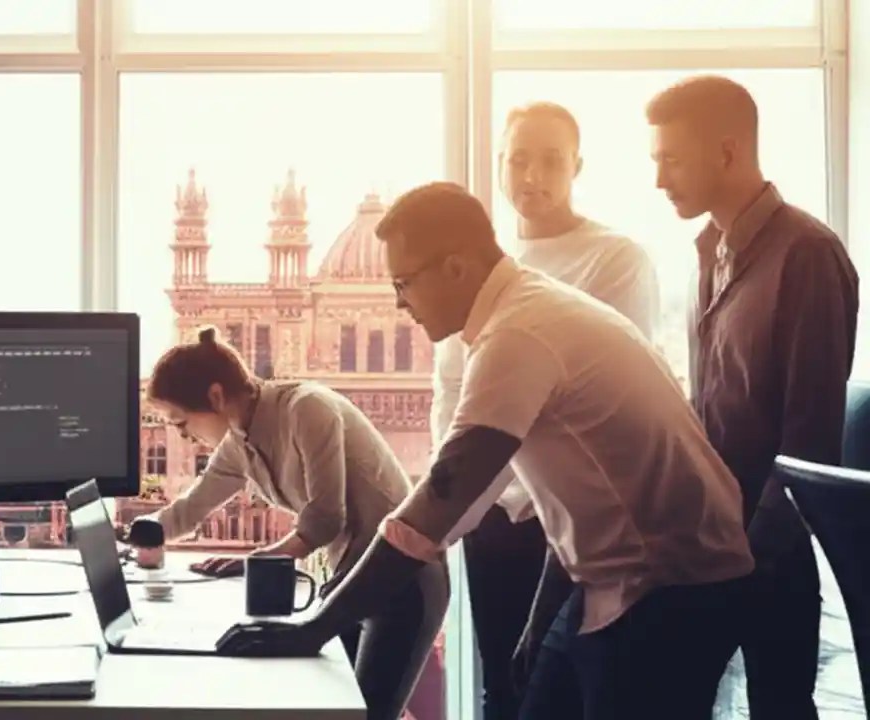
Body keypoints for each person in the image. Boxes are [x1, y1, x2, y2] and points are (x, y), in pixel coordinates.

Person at [217, 182, 756, 720]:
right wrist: (543, 622)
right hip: (612, 582)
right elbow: (578, 492)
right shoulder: (527, 310)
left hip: (669, 589)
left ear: (455, 267)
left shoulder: (518, 334)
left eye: (405, 282)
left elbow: (438, 505)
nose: (400, 302)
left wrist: (314, 627)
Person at [433, 101, 660, 720]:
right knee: (499, 686)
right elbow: (452, 390)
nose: (532, 175)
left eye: (551, 160)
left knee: (563, 691)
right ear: (500, 166)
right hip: (492, 518)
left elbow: (616, 404)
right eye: (519, 159)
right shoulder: (485, 266)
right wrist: (463, 503)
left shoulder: (614, 259)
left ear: (577, 166)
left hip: (573, 521)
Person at [648, 75, 860, 720]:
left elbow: (809, 434)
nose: (660, 180)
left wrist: (750, 548)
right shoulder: (705, 257)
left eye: (671, 159)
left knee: (777, 708)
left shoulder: (808, 254)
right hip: (707, 542)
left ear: (728, 150)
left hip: (767, 555)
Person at [131, 326, 448, 720]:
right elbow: (192, 506)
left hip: (402, 580)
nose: (185, 436)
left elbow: (327, 518)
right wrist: (141, 533)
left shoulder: (307, 408)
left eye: (182, 423)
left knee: (370, 715)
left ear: (215, 395)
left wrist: (261, 559)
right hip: (349, 581)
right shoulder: (239, 444)